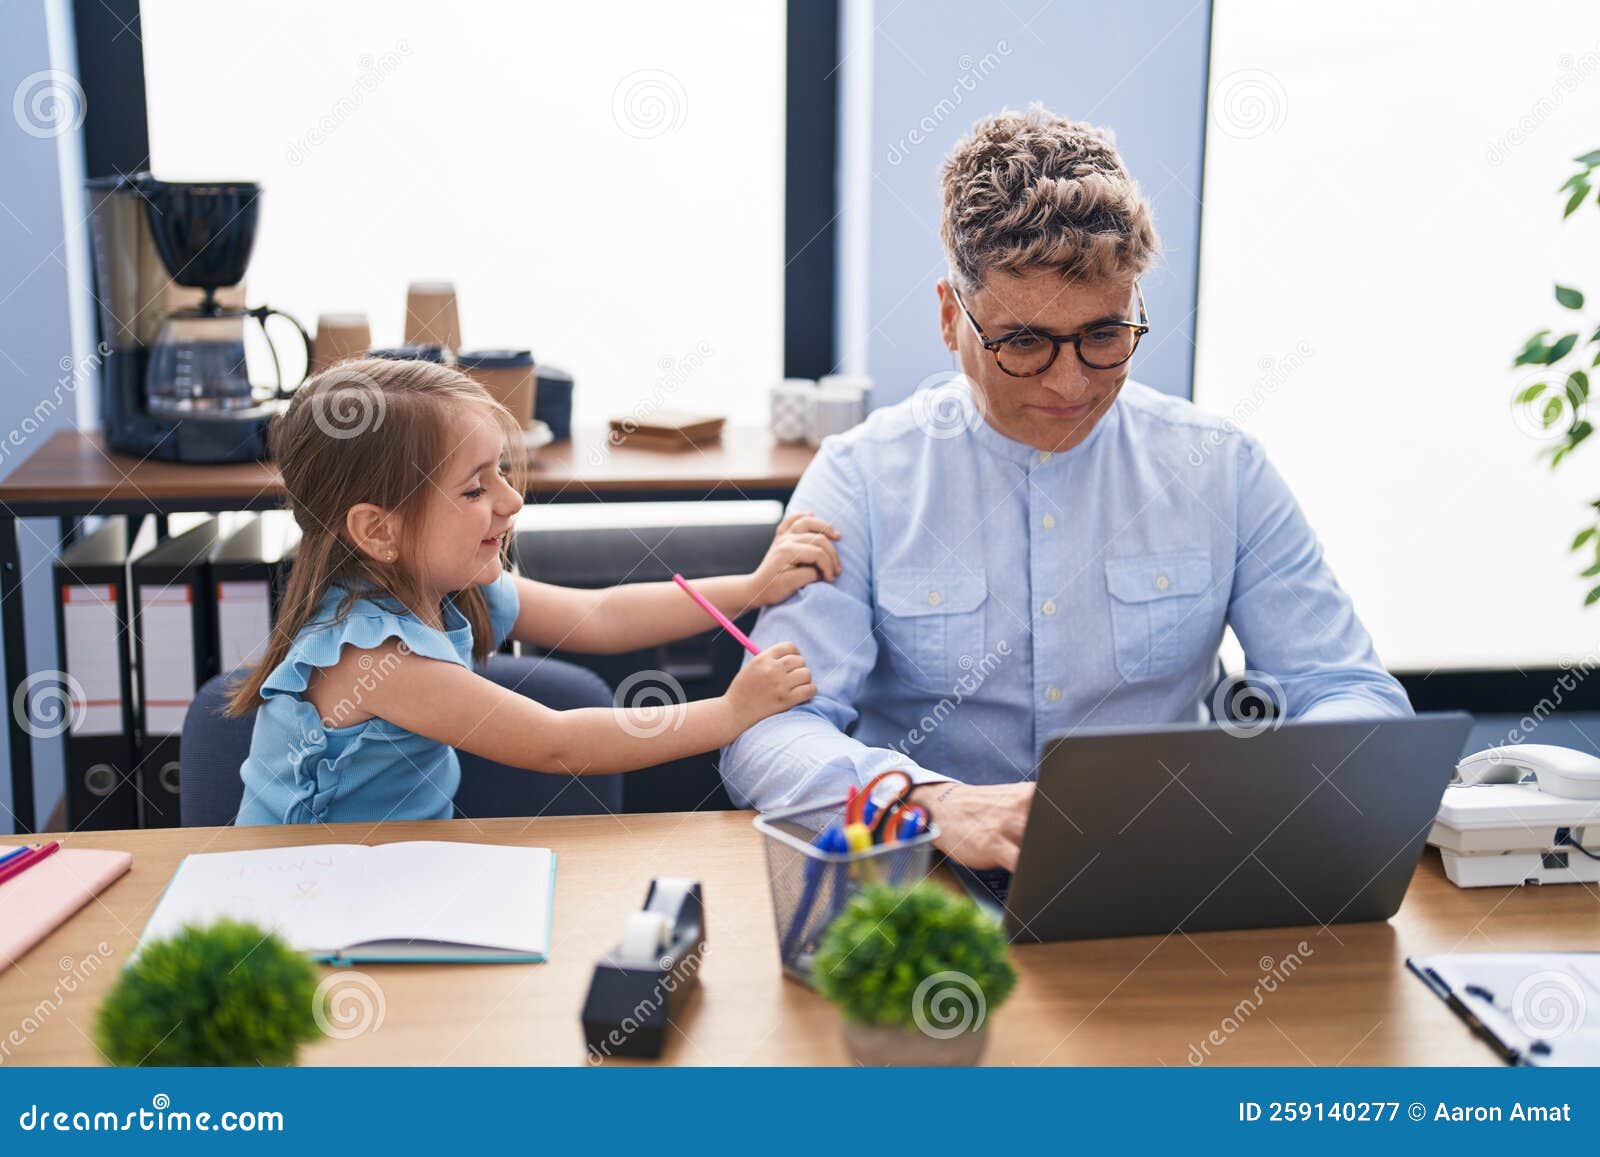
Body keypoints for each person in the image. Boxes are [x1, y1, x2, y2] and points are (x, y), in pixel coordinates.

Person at [720, 106, 1411, 871]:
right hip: (932, 882)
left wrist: (1278, 787)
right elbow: (767, 733)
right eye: (1024, 343)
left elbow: (1348, 690)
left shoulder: (1221, 468)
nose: (1071, 382)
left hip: (1161, 881)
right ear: (952, 319)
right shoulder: (861, 478)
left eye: (1104, 336)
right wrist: (933, 802)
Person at [230, 357, 836, 825]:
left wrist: (754, 587)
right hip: (301, 901)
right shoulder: (376, 658)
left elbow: (600, 616)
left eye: (501, 472)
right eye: (474, 490)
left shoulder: (449, 587)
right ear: (378, 530)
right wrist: (731, 713)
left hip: (389, 880)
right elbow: (557, 744)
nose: (512, 500)